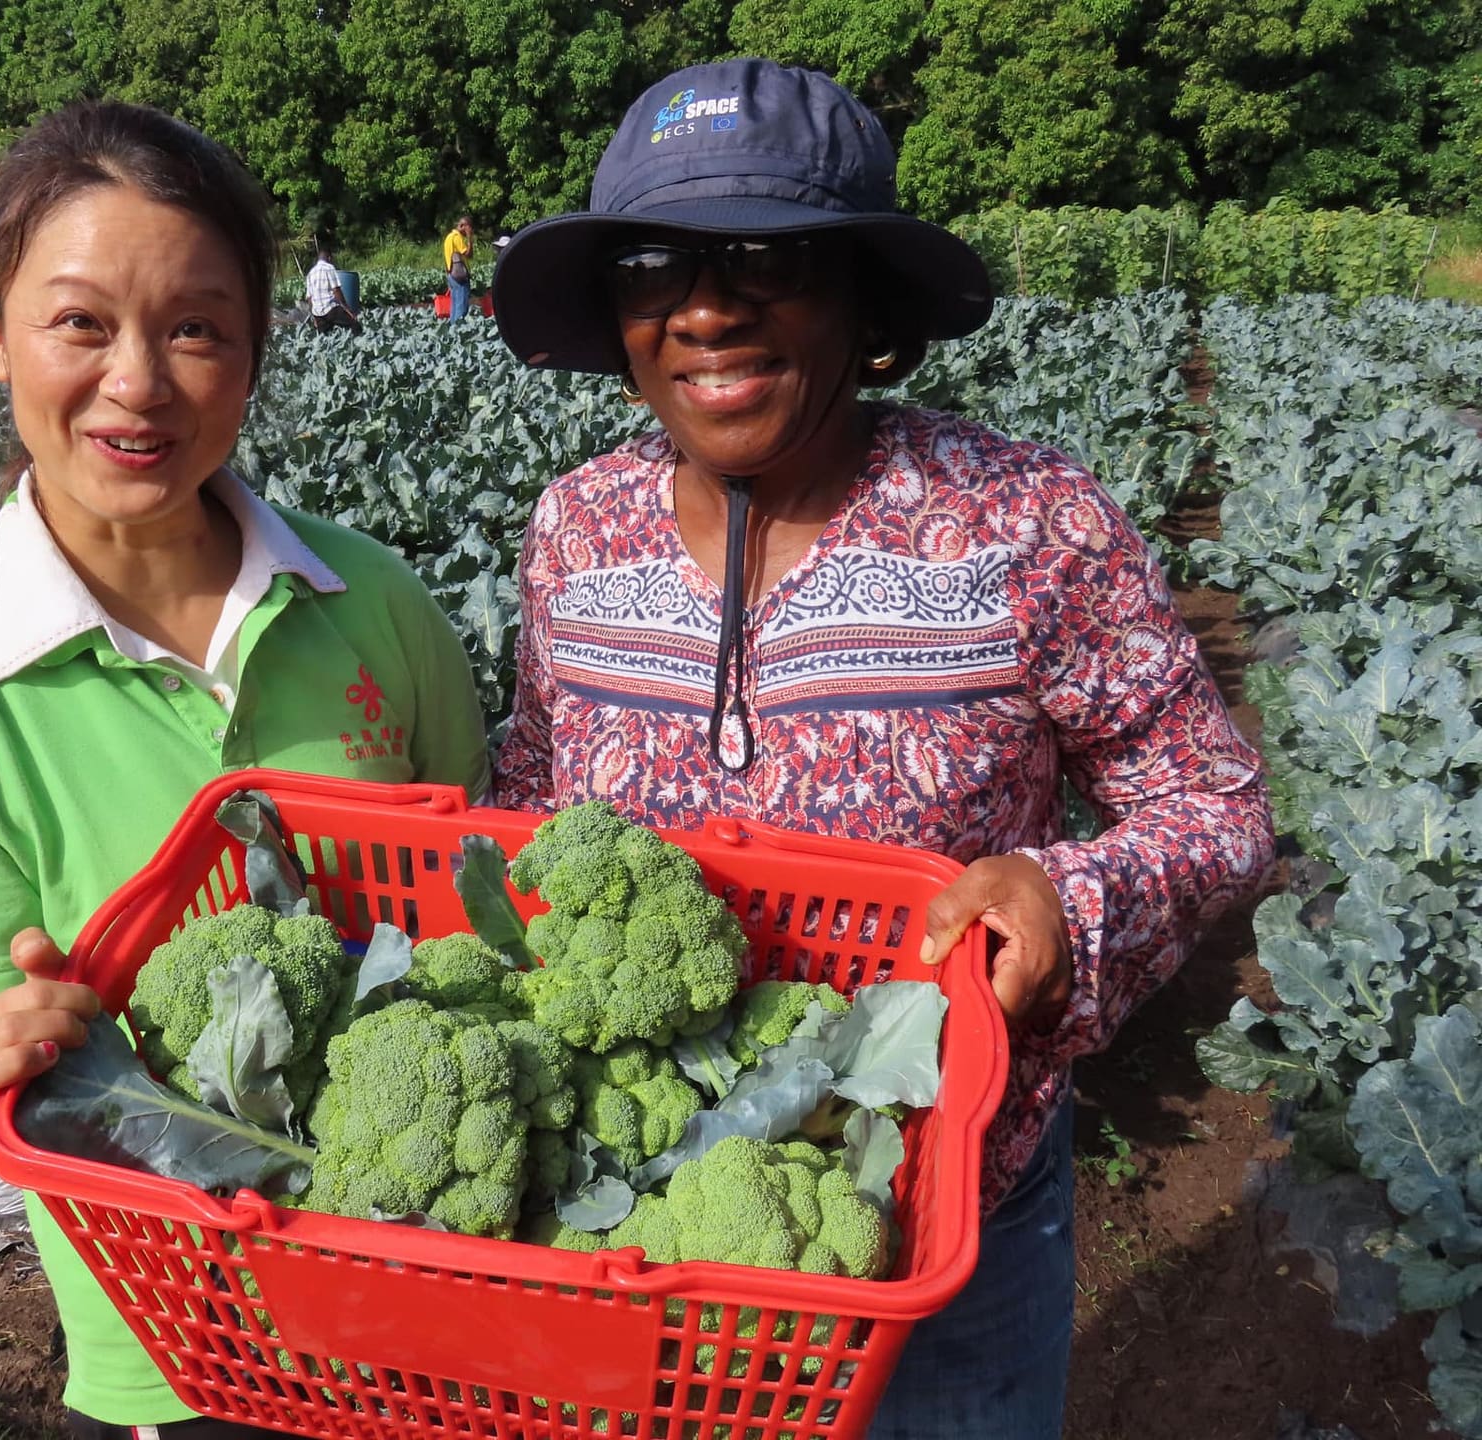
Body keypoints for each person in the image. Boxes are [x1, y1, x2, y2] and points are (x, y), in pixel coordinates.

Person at [488, 59, 1273, 1440]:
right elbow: (531, 799)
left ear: (865, 303)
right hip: (638, 1220)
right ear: (616, 314)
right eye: (657, 262)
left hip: (946, 1213)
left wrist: (1064, 902)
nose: (709, 306)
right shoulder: (574, 530)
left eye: (770, 258)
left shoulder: (1028, 518)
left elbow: (1207, 798)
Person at [0, 100, 489, 1439]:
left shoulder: (378, 604)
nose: (137, 380)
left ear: (253, 352)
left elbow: (487, 910)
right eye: (80, 322)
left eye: (195, 328)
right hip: (191, 1348)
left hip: (458, 1284)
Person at [304, 242, 361, 333]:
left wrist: (314, 317)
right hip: (331, 310)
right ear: (329, 257)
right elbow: (336, 290)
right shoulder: (329, 268)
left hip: (318, 314)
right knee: (355, 325)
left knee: (324, 339)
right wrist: (348, 309)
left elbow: (309, 298)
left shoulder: (310, 273)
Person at [442, 214, 474, 321]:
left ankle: (453, 331)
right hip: (459, 276)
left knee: (454, 306)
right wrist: (470, 238)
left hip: (452, 275)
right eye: (468, 227)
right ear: (462, 226)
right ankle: (458, 332)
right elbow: (469, 254)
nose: (469, 230)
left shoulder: (448, 237)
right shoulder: (457, 237)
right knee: (462, 307)